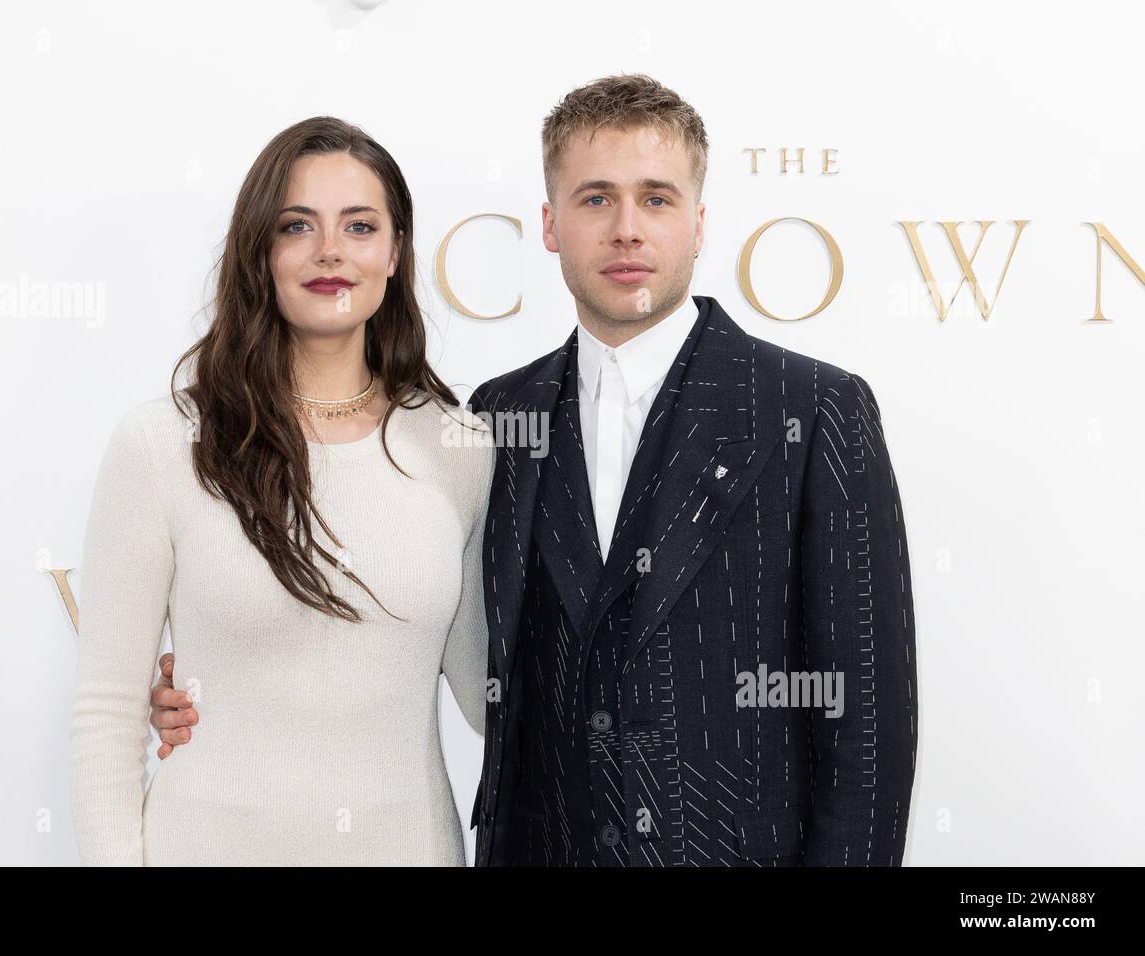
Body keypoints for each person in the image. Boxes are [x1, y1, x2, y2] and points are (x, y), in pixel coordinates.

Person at [159, 74, 920, 868]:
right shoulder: (492, 417)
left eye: (656, 199)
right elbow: (434, 627)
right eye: (595, 200)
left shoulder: (814, 407)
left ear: (699, 223)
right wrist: (225, 680)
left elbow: (869, 720)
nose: (626, 230)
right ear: (551, 225)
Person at [70, 116, 493, 866]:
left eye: (360, 226)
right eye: (297, 225)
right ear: (259, 251)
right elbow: (106, 716)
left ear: (395, 253)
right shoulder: (162, 444)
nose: (330, 250)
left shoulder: (458, 447)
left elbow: (490, 694)